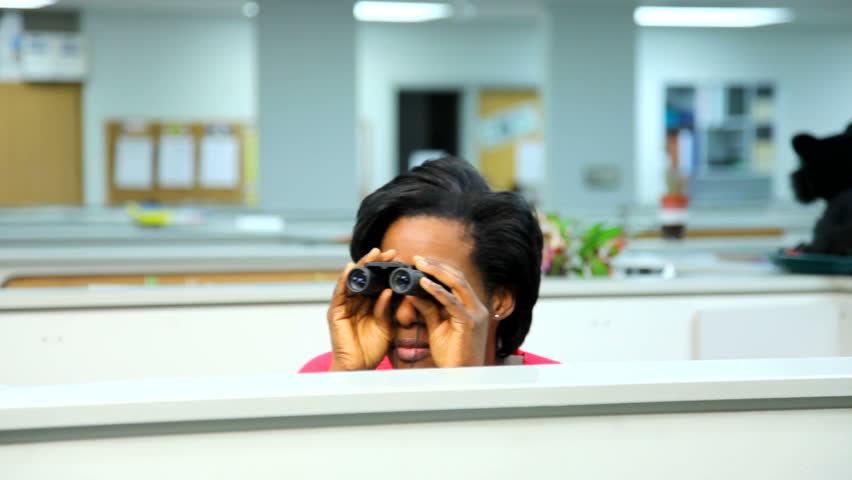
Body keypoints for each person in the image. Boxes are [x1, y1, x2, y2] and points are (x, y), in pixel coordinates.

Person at [299, 157, 558, 372]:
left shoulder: (560, 394)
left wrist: (464, 385)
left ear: (500, 300)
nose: (404, 315)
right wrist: (348, 381)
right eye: (393, 285)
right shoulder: (328, 374)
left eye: (435, 288)